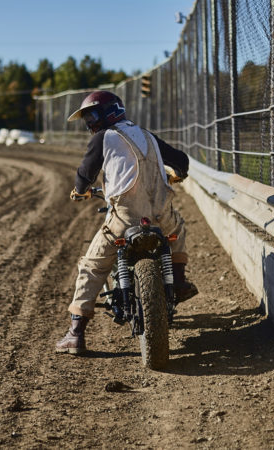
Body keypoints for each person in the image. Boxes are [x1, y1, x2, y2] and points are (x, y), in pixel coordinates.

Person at [55, 90, 198, 355]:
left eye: (92, 116)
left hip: (125, 218)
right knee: (177, 229)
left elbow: (85, 172)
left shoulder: (103, 138)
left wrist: (80, 189)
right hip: (161, 217)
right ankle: (178, 281)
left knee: (93, 265)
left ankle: (75, 334)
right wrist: (177, 174)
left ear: (110, 112)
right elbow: (181, 161)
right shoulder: (146, 135)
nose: (90, 123)